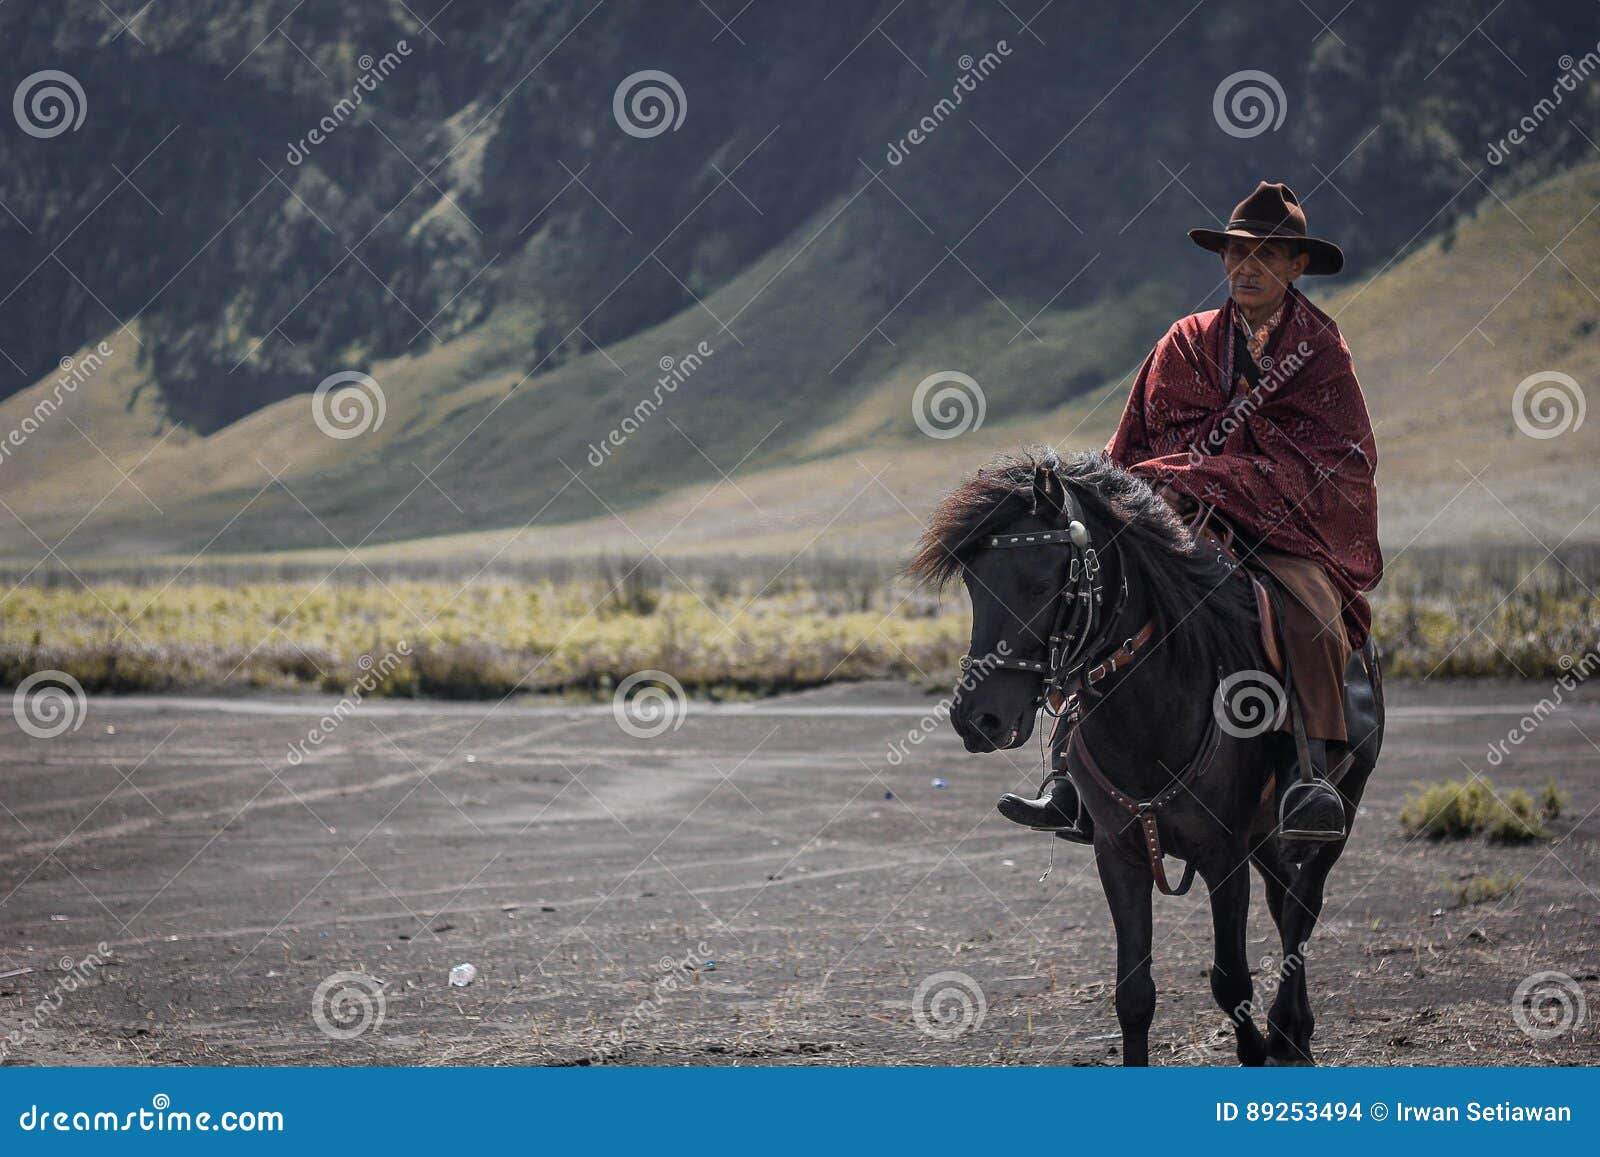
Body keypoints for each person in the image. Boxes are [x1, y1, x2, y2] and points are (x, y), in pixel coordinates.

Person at [998, 181, 1382, 847]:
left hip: (1281, 528)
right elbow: (1132, 445)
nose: (1248, 267)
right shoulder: (1183, 343)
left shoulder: (1320, 351)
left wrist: (1220, 476)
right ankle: (1066, 772)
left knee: (1312, 616)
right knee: (1100, 601)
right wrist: (1115, 501)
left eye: (1267, 253)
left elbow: (1336, 462)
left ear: (1297, 266)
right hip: (1178, 526)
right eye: (1236, 252)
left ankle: (1307, 772)